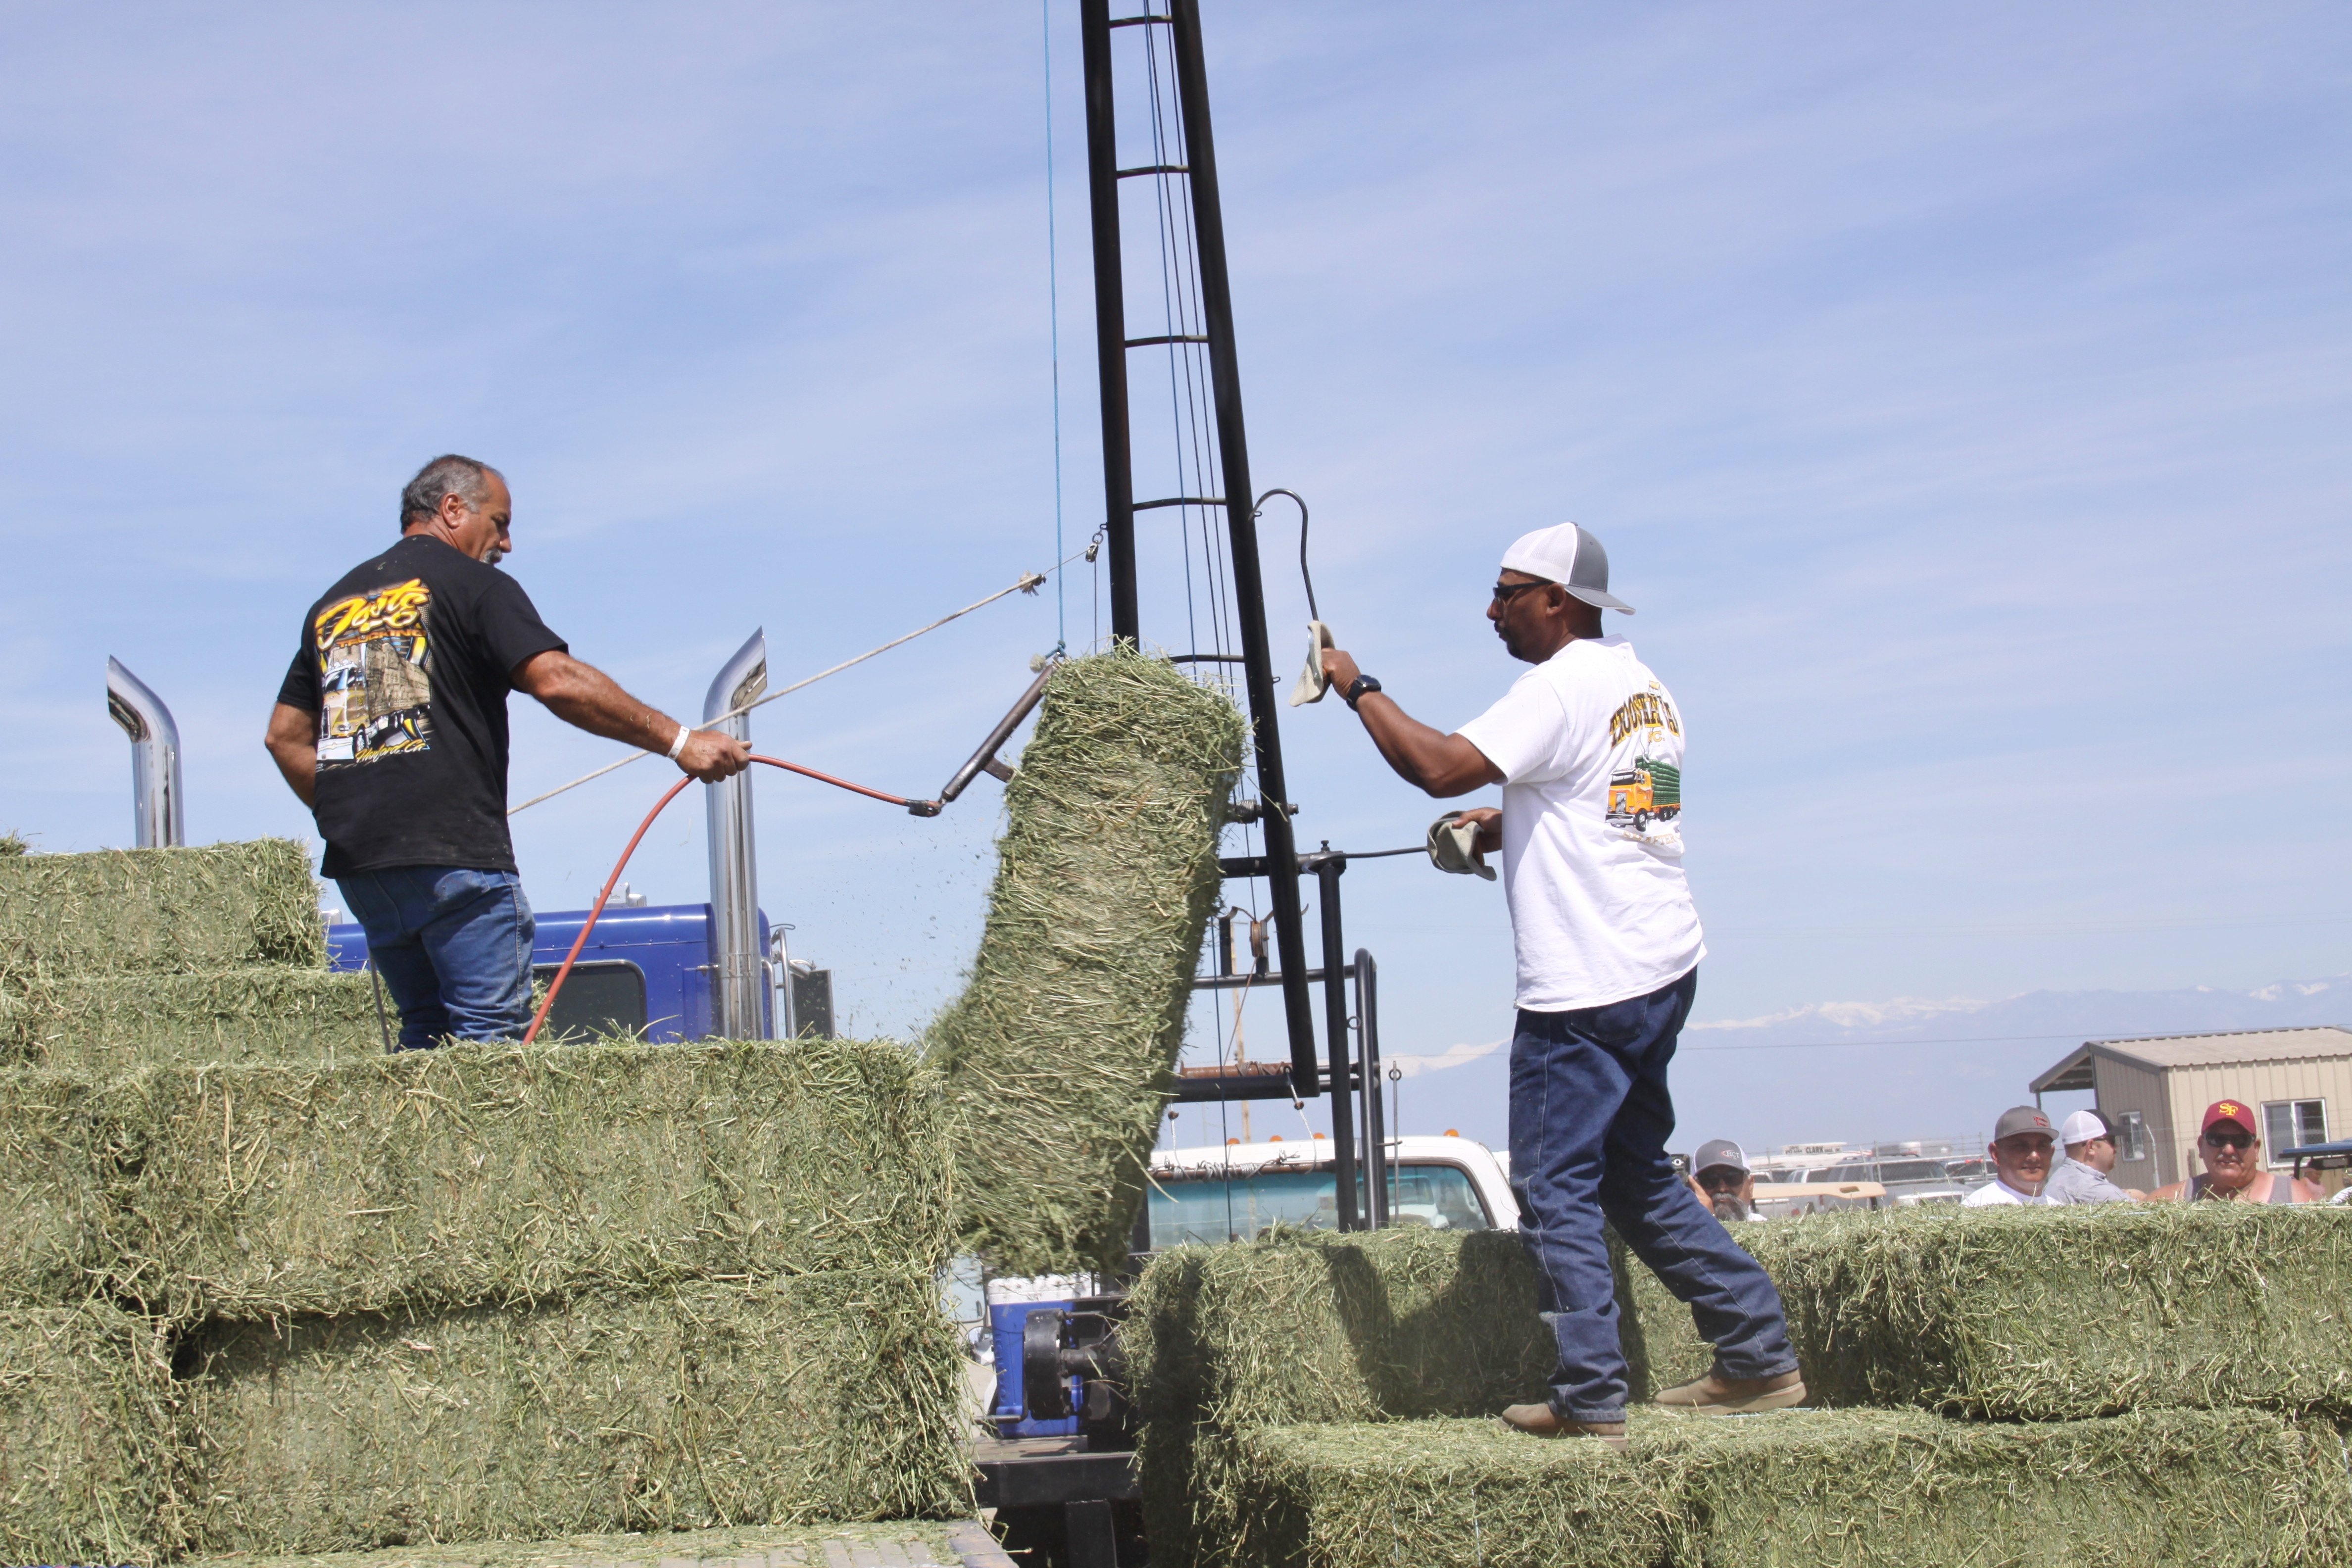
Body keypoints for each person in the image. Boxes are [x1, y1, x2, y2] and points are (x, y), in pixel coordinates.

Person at [1317, 522, 1801, 1447]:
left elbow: (1433, 765)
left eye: (1506, 592)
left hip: (1581, 982)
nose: (1490, 609)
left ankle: (1589, 1395)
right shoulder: (1645, 689)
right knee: (1632, 1174)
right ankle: (1757, 1353)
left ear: (1556, 600)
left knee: (1553, 1182)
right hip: (1662, 962)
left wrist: (1356, 685)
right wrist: (1508, 826)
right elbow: (1630, 812)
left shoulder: (1556, 685)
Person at [264, 455, 749, 1049]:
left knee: (426, 1034)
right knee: (490, 1041)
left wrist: (349, 814)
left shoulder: (333, 606)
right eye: (499, 522)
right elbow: (557, 680)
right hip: (455, 861)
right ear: (451, 509)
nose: (508, 542)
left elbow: (284, 735)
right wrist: (681, 742)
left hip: (366, 870)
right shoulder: (474, 585)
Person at [2150, 1100, 2323, 1204]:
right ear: (2201, 1146)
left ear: (2256, 1149)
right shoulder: (2168, 1201)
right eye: (2217, 1139)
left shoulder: (2292, 1196)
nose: (2228, 1150)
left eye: (2240, 1141)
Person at [1961, 1107, 2059, 1206]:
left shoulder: (2059, 1210)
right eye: (2021, 1147)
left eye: (2042, 1146)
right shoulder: (1978, 1207)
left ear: (2051, 1154)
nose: (2034, 1157)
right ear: (1995, 1154)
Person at [2041, 1109, 2138, 1204]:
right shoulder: (2086, 1185)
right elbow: (2142, 1213)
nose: (2116, 1147)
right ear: (2091, 1147)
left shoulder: (2067, 1177)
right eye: (2112, 1141)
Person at [1689, 1138, 1770, 1223]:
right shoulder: (1684, 1232)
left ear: (1750, 1186)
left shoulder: (1766, 1229)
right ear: (1692, 1189)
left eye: (1732, 1177)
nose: (1722, 1188)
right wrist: (1706, 1220)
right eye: (1710, 1179)